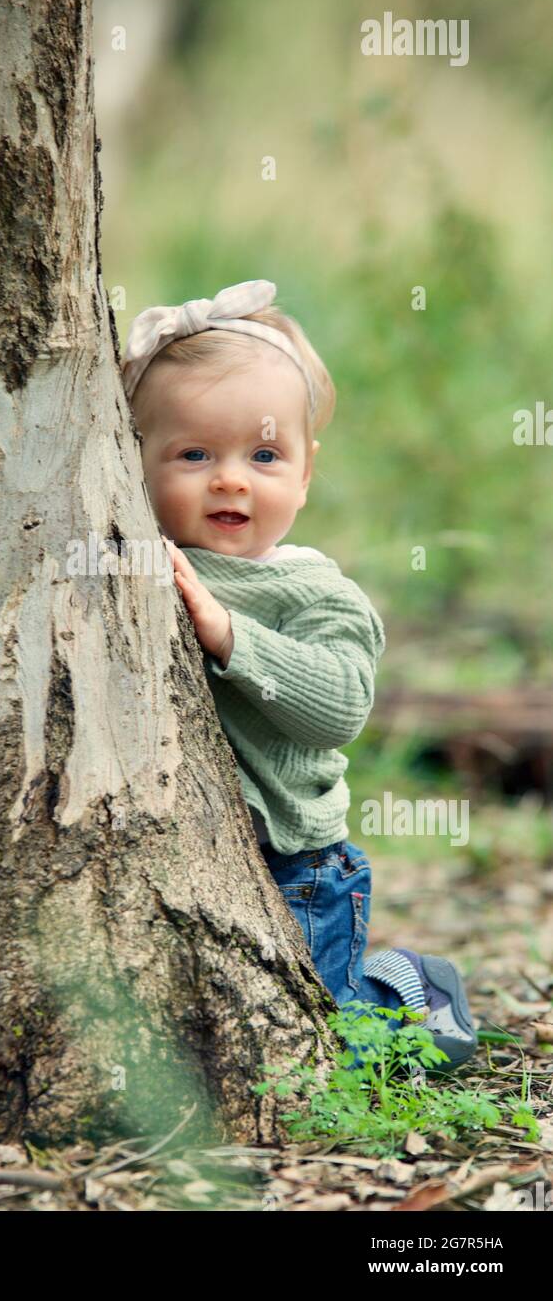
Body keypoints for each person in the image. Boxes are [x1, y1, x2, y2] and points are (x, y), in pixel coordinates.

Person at [120, 278, 478, 1069]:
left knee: (318, 1037)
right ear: (130, 465)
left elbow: (340, 706)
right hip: (197, 858)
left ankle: (415, 997)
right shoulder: (141, 558)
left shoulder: (312, 590)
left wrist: (228, 634)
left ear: (307, 472)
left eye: (265, 454)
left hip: (297, 869)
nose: (231, 479)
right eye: (194, 454)